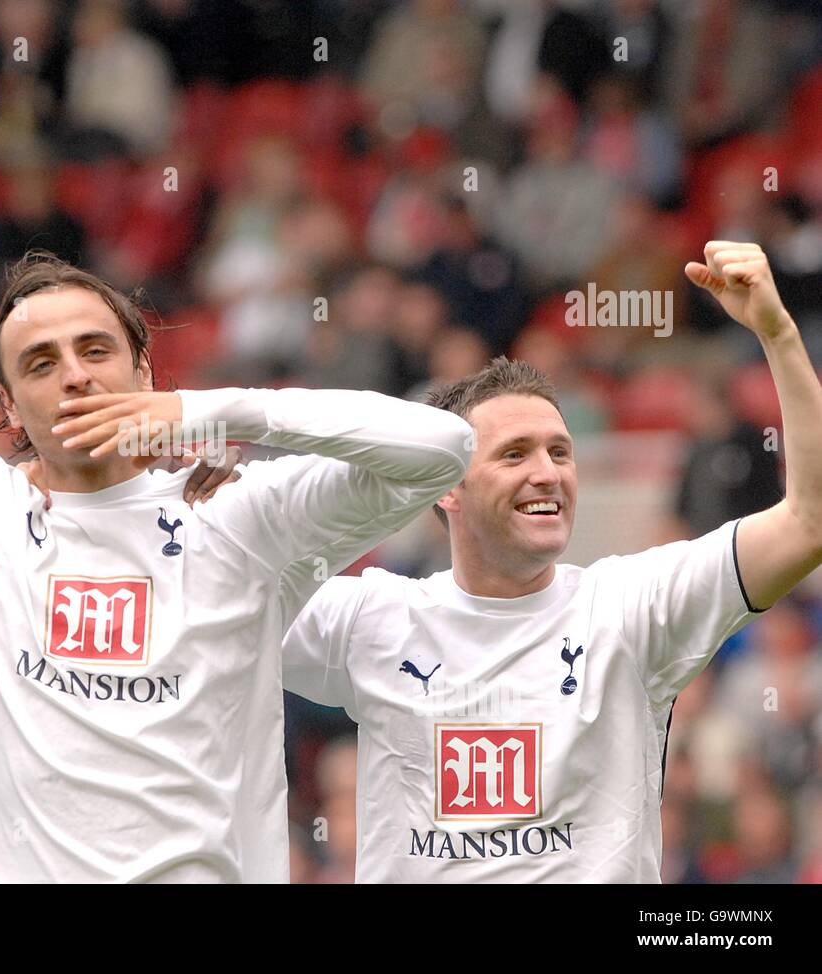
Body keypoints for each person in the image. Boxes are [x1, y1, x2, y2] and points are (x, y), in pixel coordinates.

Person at [0, 4, 473, 882]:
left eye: (96, 350)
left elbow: (443, 447)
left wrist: (222, 415)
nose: (74, 375)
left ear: (147, 370)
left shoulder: (244, 515)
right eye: (40, 363)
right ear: (8, 402)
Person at [282, 242, 822, 882]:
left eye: (559, 452)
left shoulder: (631, 607)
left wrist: (778, 332)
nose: (547, 474)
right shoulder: (368, 618)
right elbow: (207, 586)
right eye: (514, 454)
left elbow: (808, 522)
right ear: (445, 487)